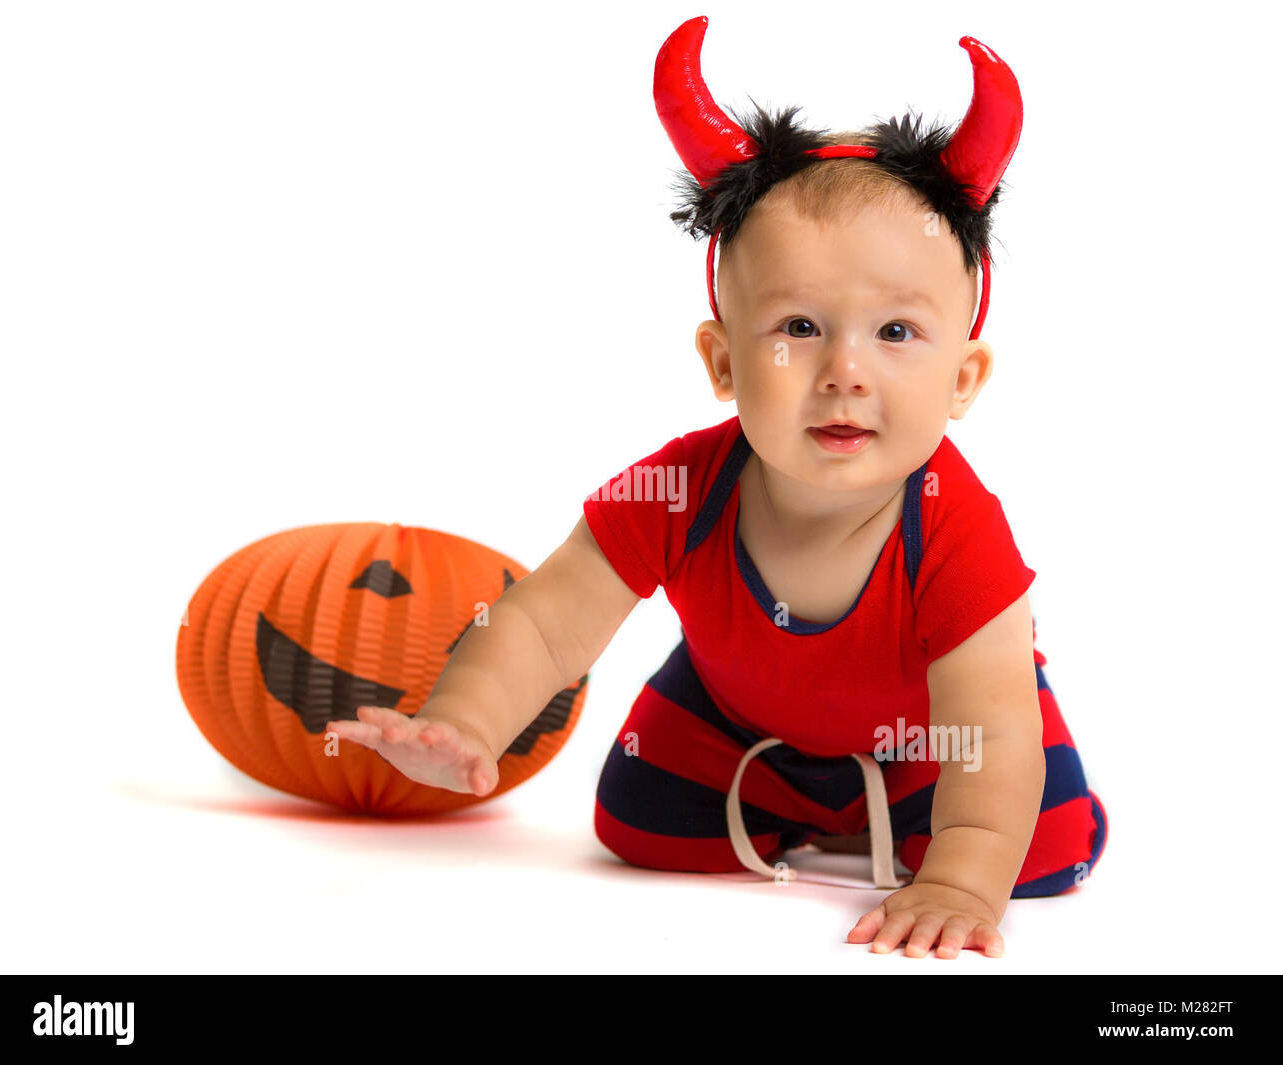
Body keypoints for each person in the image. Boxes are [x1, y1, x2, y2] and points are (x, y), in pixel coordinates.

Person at [326, 16, 1107, 960]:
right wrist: (464, 720)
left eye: (896, 333)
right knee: (636, 825)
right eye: (799, 327)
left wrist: (958, 876)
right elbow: (541, 619)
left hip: (933, 741)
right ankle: (816, 808)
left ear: (964, 380)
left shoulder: (955, 527)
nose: (847, 371)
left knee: (1041, 847)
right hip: (744, 721)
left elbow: (984, 722)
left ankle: (902, 823)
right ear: (723, 359)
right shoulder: (678, 489)